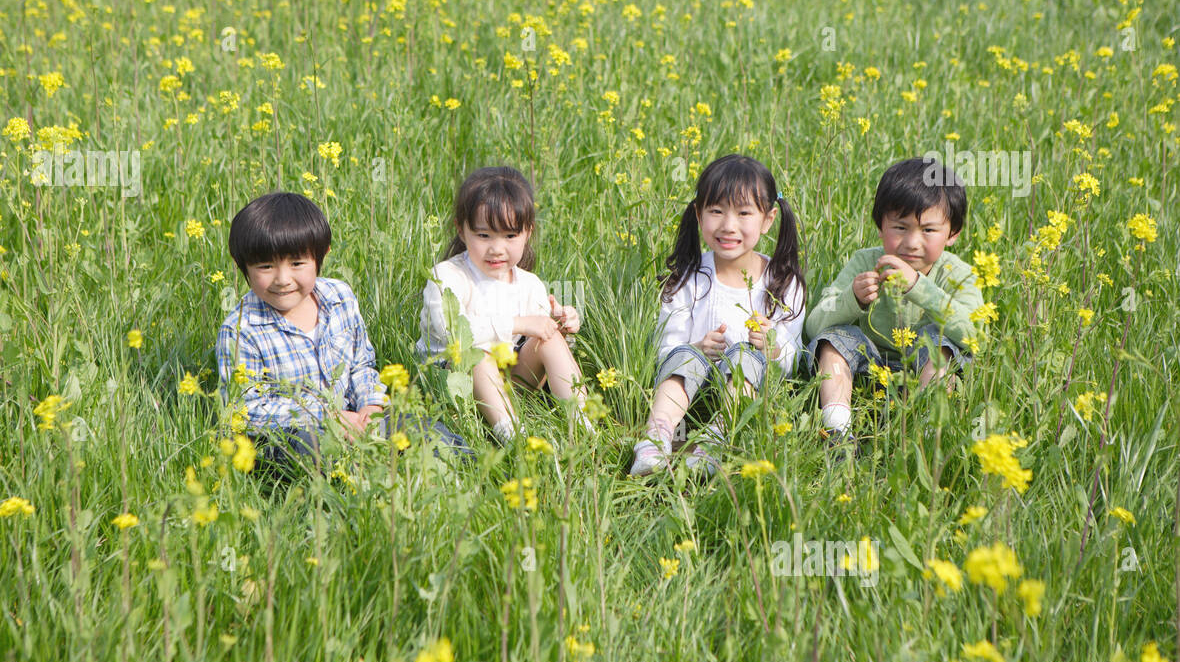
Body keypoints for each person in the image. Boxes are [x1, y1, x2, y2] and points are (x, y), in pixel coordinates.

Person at [216, 191, 469, 472]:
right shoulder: (241, 329)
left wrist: (371, 407)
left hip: (356, 417)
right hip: (294, 431)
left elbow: (361, 365)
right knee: (306, 448)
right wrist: (328, 417)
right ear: (243, 267)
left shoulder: (339, 297)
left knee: (417, 424)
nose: (282, 279)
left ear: (320, 256)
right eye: (265, 267)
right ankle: (363, 473)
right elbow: (245, 411)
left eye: (297, 263)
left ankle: (466, 466)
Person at [629, 154, 807, 477]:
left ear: (768, 220)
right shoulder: (688, 278)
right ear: (698, 215)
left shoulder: (783, 283)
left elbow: (794, 360)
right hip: (688, 392)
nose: (728, 226)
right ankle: (656, 438)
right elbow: (665, 350)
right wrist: (696, 347)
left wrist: (773, 347)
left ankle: (716, 441)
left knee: (743, 360)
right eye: (716, 211)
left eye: (743, 213)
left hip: (748, 393)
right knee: (685, 356)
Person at [803, 157, 983, 447]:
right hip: (870, 366)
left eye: (928, 230)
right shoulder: (864, 261)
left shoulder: (956, 273)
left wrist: (917, 287)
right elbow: (814, 327)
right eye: (900, 227)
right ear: (879, 225)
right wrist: (853, 299)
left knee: (938, 345)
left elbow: (976, 335)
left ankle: (928, 435)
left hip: (924, 369)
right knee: (832, 341)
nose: (912, 242)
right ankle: (837, 431)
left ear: (953, 233)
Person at [417, 166, 591, 443]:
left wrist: (557, 324)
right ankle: (512, 435)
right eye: (484, 236)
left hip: (512, 381)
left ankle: (581, 423)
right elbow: (452, 333)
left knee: (550, 339)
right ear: (461, 231)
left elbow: (535, 338)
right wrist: (519, 323)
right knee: (477, 356)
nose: (496, 248)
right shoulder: (448, 277)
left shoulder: (529, 283)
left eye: (510, 236)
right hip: (456, 383)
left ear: (527, 233)